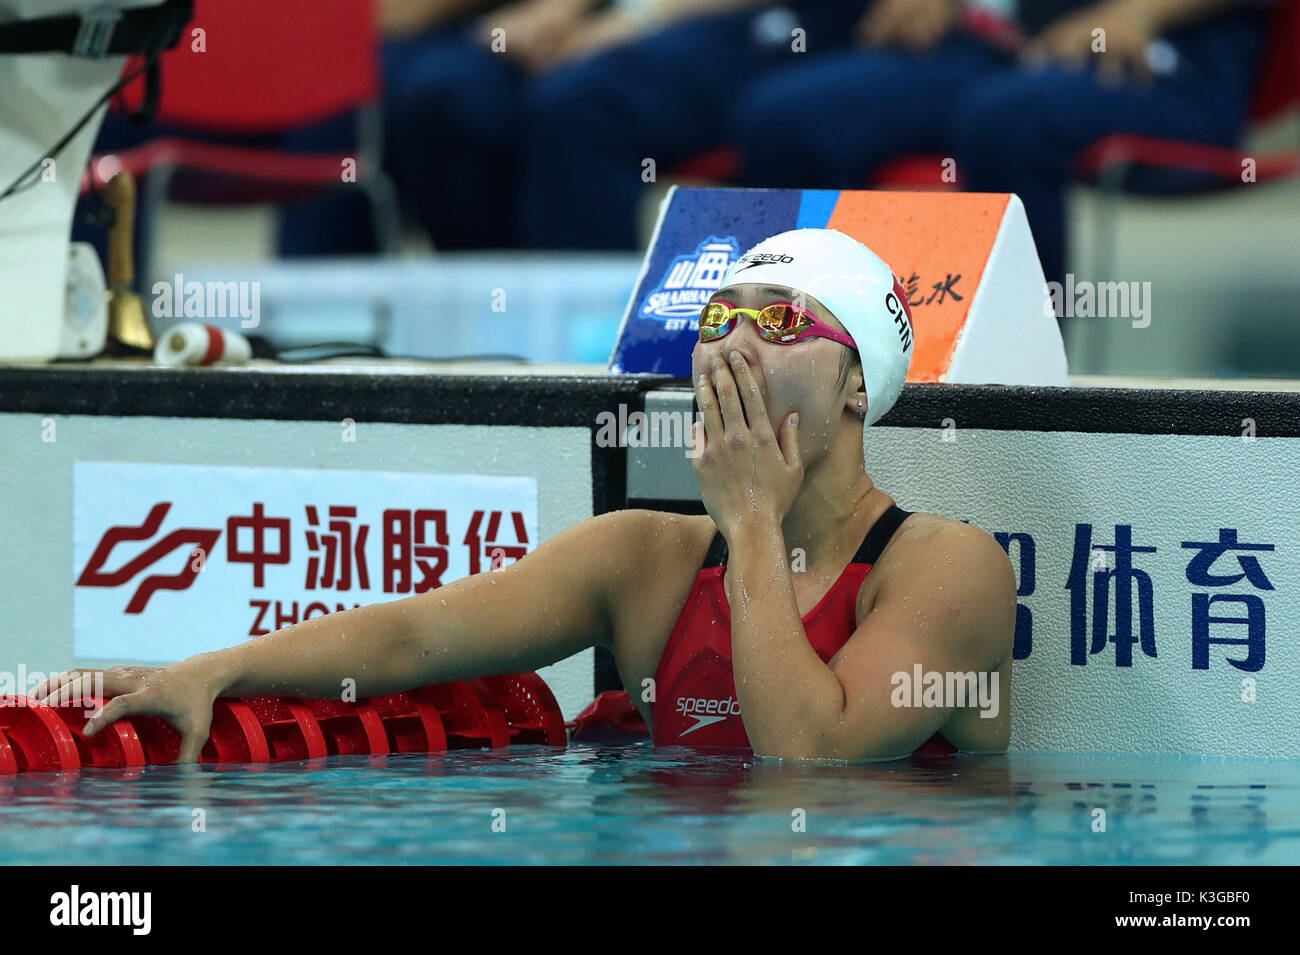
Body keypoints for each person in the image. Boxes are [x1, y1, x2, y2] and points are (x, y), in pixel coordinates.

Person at [33, 229, 1017, 762]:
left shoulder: (946, 566)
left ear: (860, 384)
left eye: (783, 318)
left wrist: (752, 520)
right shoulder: (643, 559)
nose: (737, 339)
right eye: (723, 313)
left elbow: (810, 757)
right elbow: (418, 637)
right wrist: (216, 668)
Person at [730, 0, 1274, 294]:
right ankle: (793, 350)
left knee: (1008, 120)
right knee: (785, 117)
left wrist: (1137, 13)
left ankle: (1024, 398)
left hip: (1164, 54)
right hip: (1002, 50)